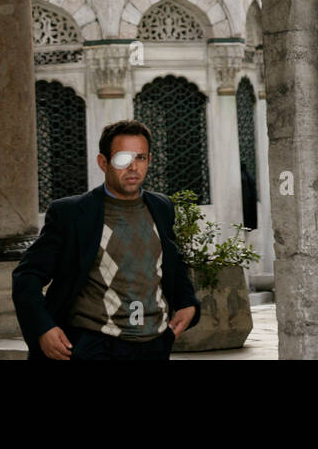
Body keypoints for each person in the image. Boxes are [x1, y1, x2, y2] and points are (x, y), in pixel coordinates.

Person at [11, 119, 200, 360]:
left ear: (150, 161)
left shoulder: (161, 207)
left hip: (155, 345)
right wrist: (43, 328)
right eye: (123, 158)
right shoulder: (71, 214)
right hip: (96, 347)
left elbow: (172, 262)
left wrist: (187, 302)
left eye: (140, 158)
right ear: (103, 162)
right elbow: (26, 276)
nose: (133, 167)